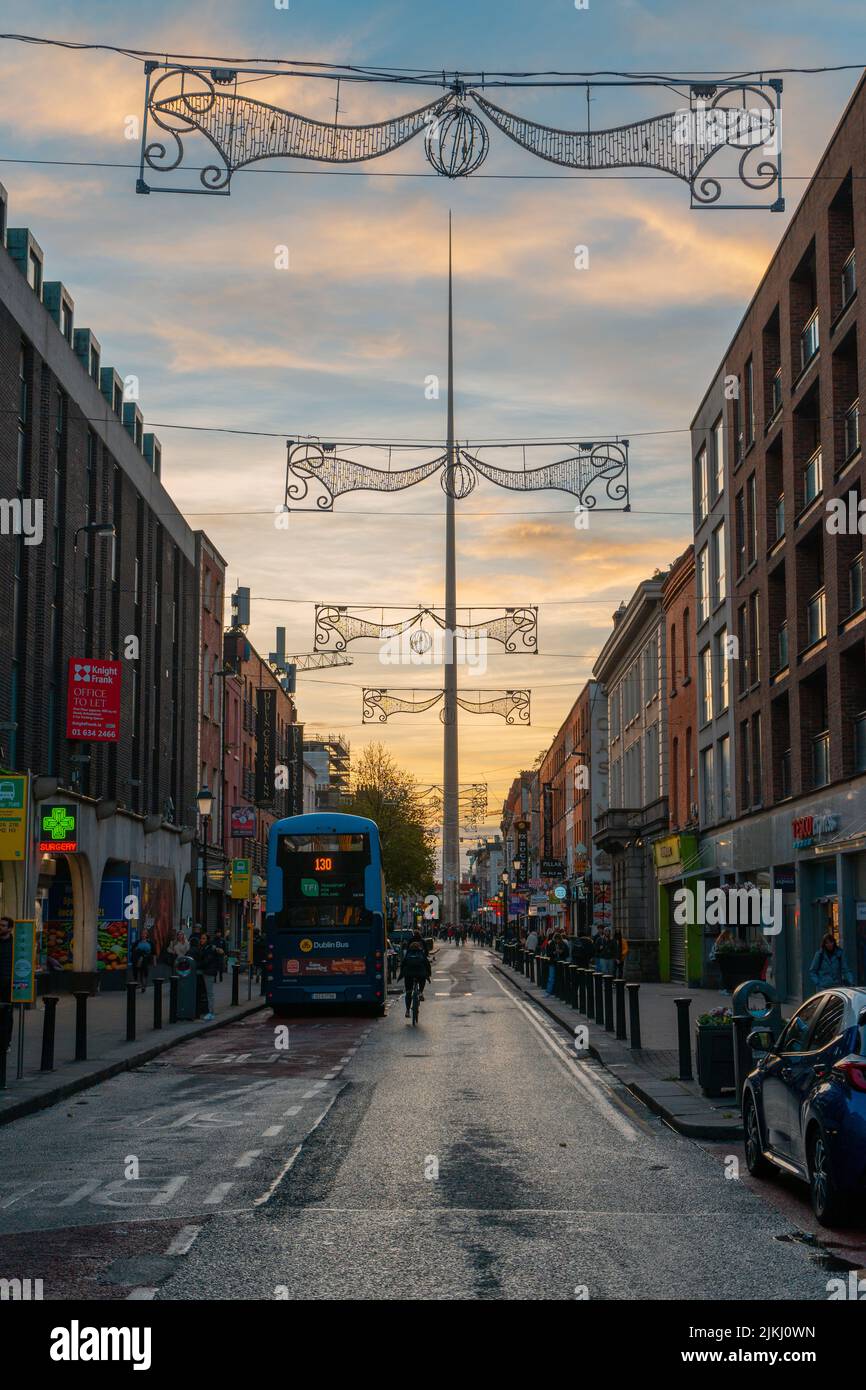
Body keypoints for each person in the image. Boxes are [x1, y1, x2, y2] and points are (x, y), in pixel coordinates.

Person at [398, 939, 431, 1017]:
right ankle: (420, 992)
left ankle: (407, 1011)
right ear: (419, 947)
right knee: (422, 979)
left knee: (408, 992)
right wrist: (428, 974)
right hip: (420, 973)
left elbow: (403, 964)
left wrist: (401, 974)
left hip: (409, 974)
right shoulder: (421, 953)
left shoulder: (408, 953)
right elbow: (427, 964)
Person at [0, 916, 13, 1055]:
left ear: (10, 928)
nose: (0, 927)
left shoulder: (15, 944)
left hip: (8, 983)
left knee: (7, 1015)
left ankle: (6, 1041)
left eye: (3, 925)